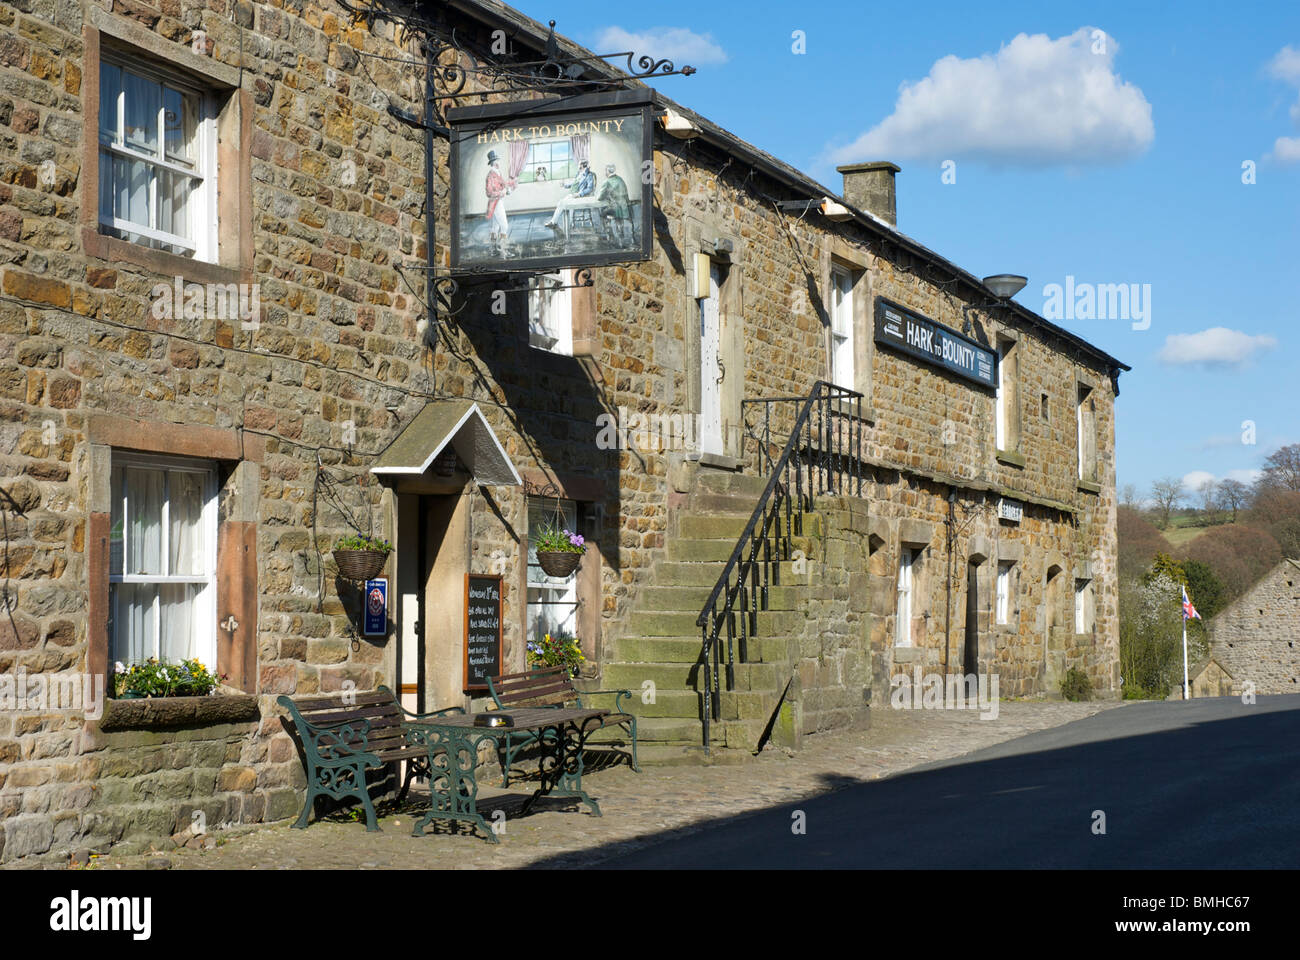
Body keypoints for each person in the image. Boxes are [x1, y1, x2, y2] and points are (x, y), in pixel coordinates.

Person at [543, 159, 596, 231]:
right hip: (573, 194)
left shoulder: (589, 175)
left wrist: (579, 194)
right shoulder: (579, 173)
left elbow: (590, 189)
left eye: (579, 164)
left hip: (580, 196)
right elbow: (574, 184)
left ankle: (563, 224)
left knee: (564, 204)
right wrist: (565, 185)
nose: (578, 166)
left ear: (583, 165)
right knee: (561, 203)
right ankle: (558, 223)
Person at [484, 150, 515, 254]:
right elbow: (489, 192)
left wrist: (508, 187)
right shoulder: (490, 176)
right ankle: (504, 250)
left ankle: (493, 249)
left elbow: (502, 184)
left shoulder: (497, 173)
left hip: (498, 202)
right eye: (498, 160)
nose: (499, 162)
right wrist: (502, 193)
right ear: (494, 162)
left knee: (495, 227)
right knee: (504, 226)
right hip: (495, 203)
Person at [597, 162, 632, 244]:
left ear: (608, 171)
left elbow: (599, 197)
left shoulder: (607, 182)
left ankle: (609, 235)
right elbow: (626, 195)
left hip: (615, 208)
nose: (605, 172)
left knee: (602, 214)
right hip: (624, 207)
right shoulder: (620, 179)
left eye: (605, 170)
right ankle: (624, 239)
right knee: (619, 221)